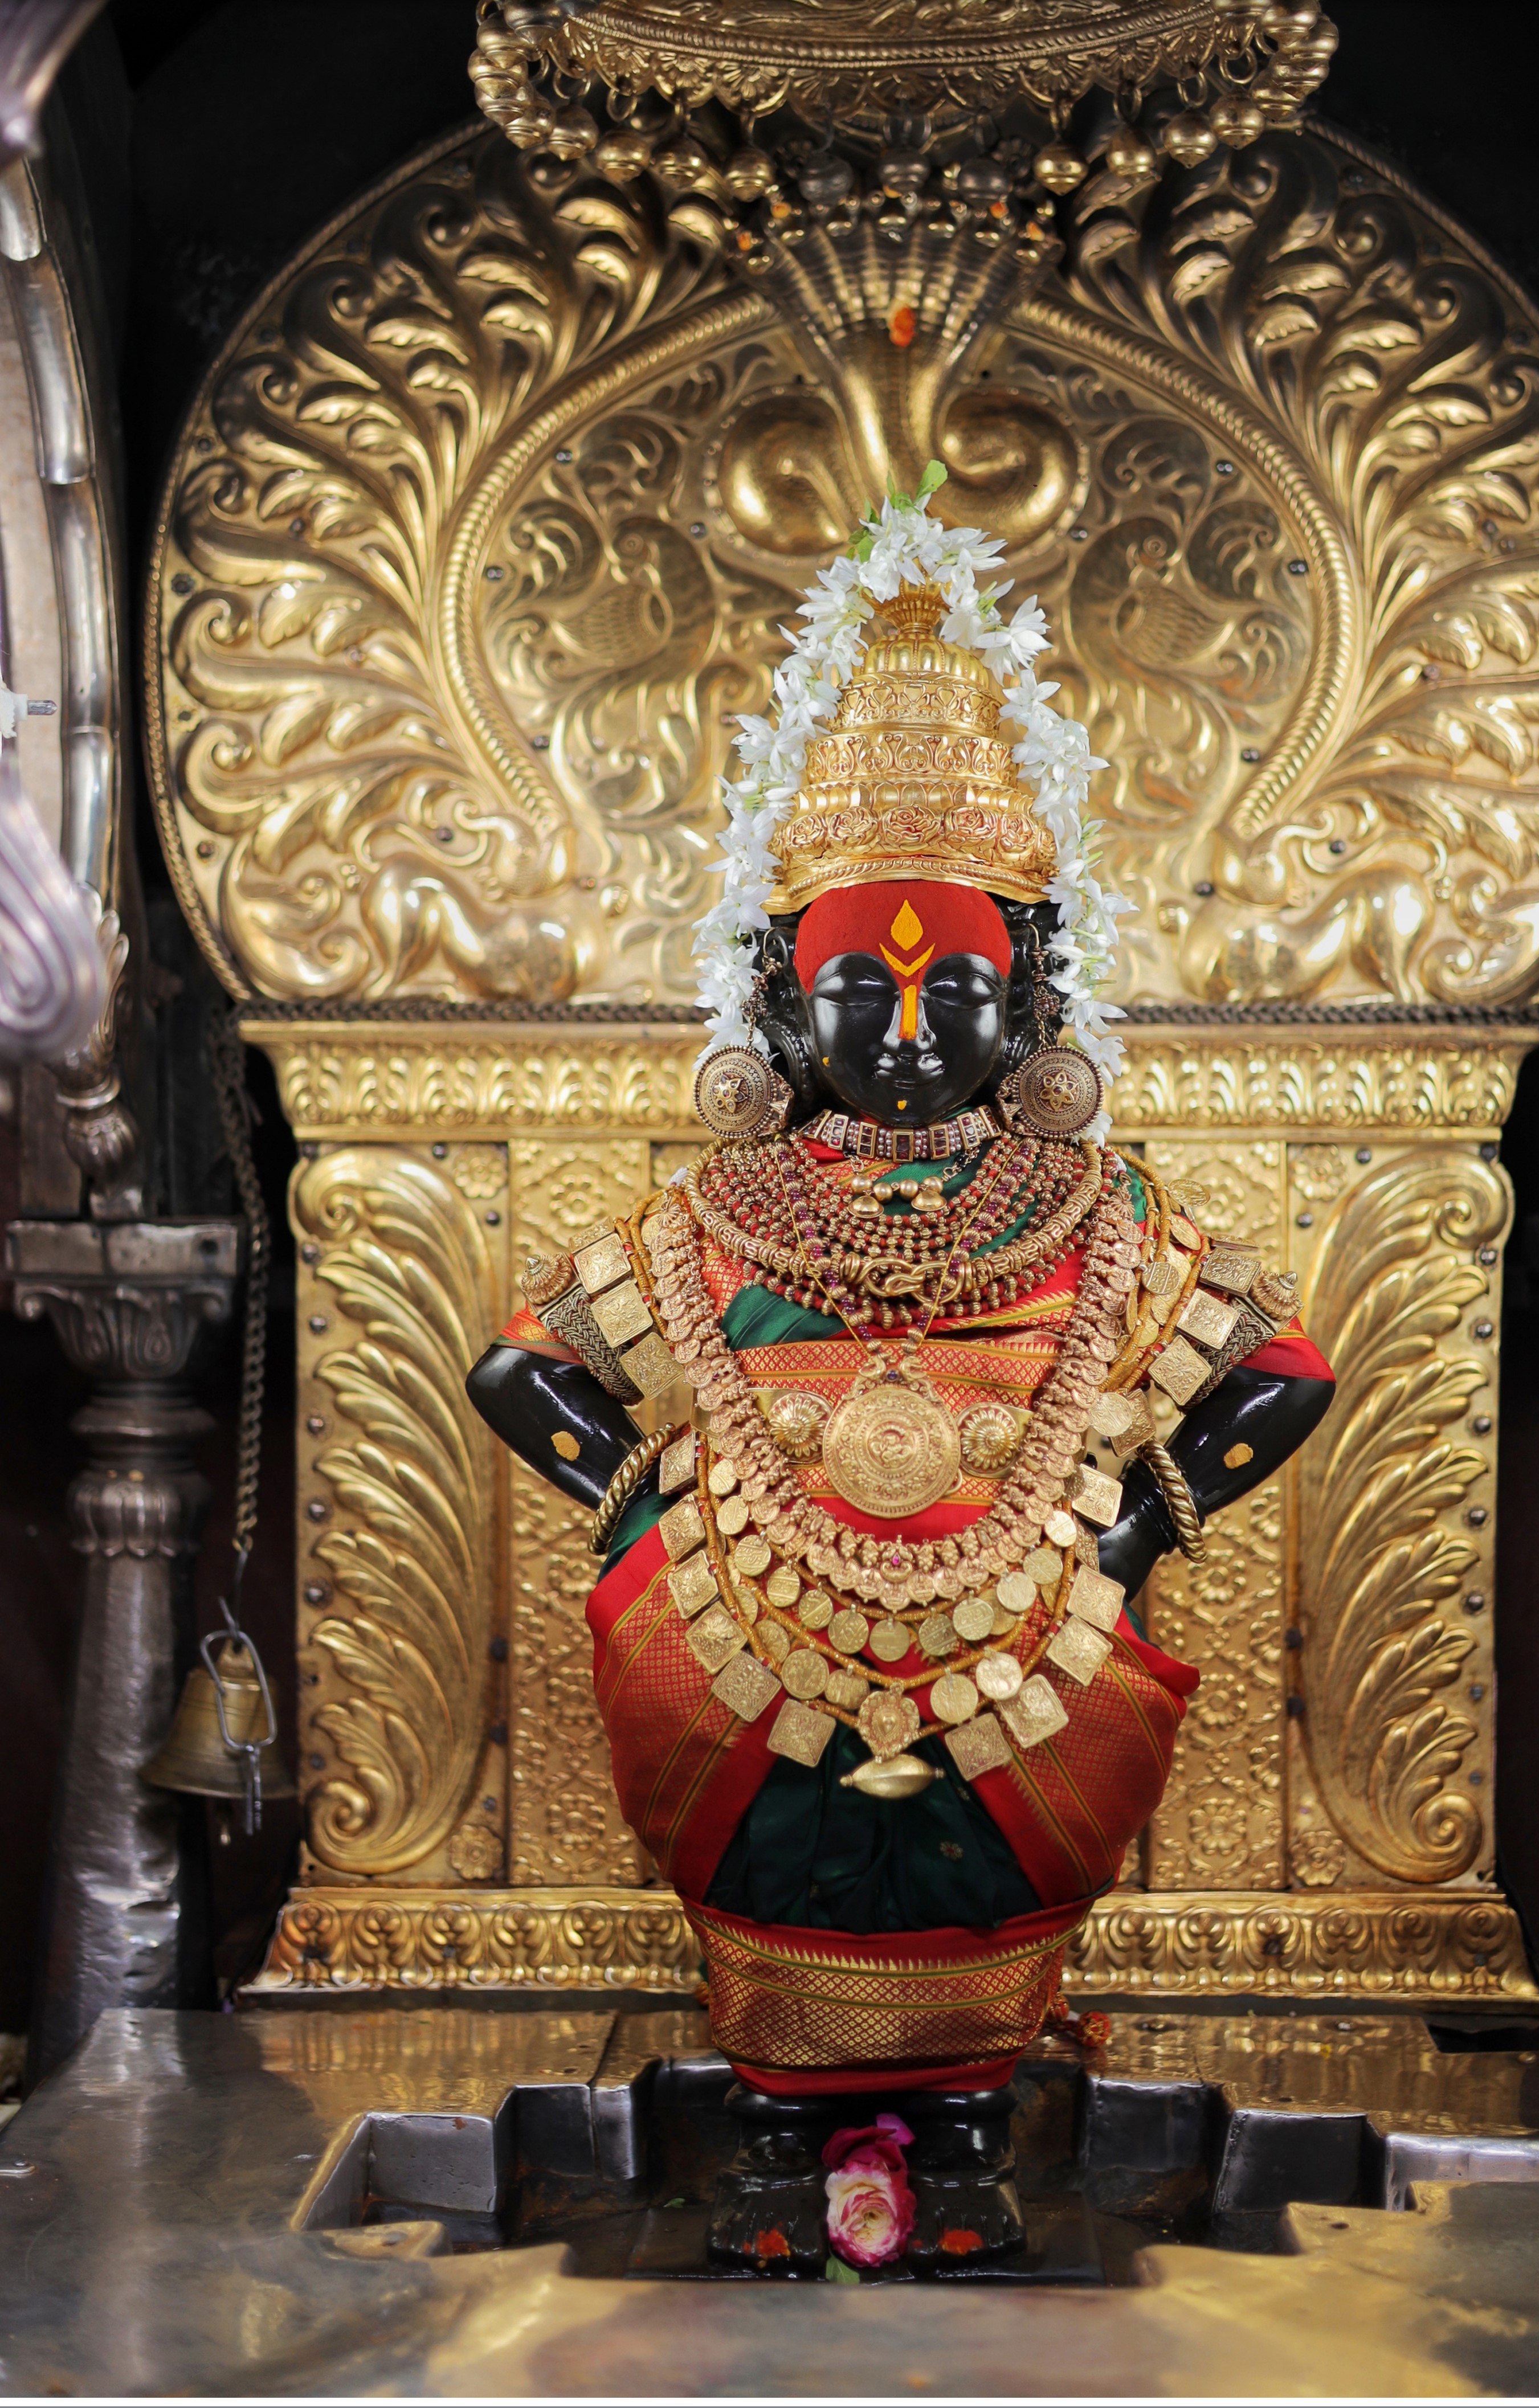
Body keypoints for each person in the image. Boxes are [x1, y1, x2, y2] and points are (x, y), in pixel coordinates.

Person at [468, 482, 1333, 2266]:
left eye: (960, 993)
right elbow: (520, 1365)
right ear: (782, 1007)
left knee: (988, 1863)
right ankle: (787, 2147)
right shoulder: (716, 1214)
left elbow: (1284, 1368)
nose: (914, 1030)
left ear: (1031, 1005)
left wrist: (1134, 1532)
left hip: (1037, 1652)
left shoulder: (1094, 1213)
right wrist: (633, 1508)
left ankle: (960, 2135)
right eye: (861, 990)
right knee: (780, 1857)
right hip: (743, 1650)